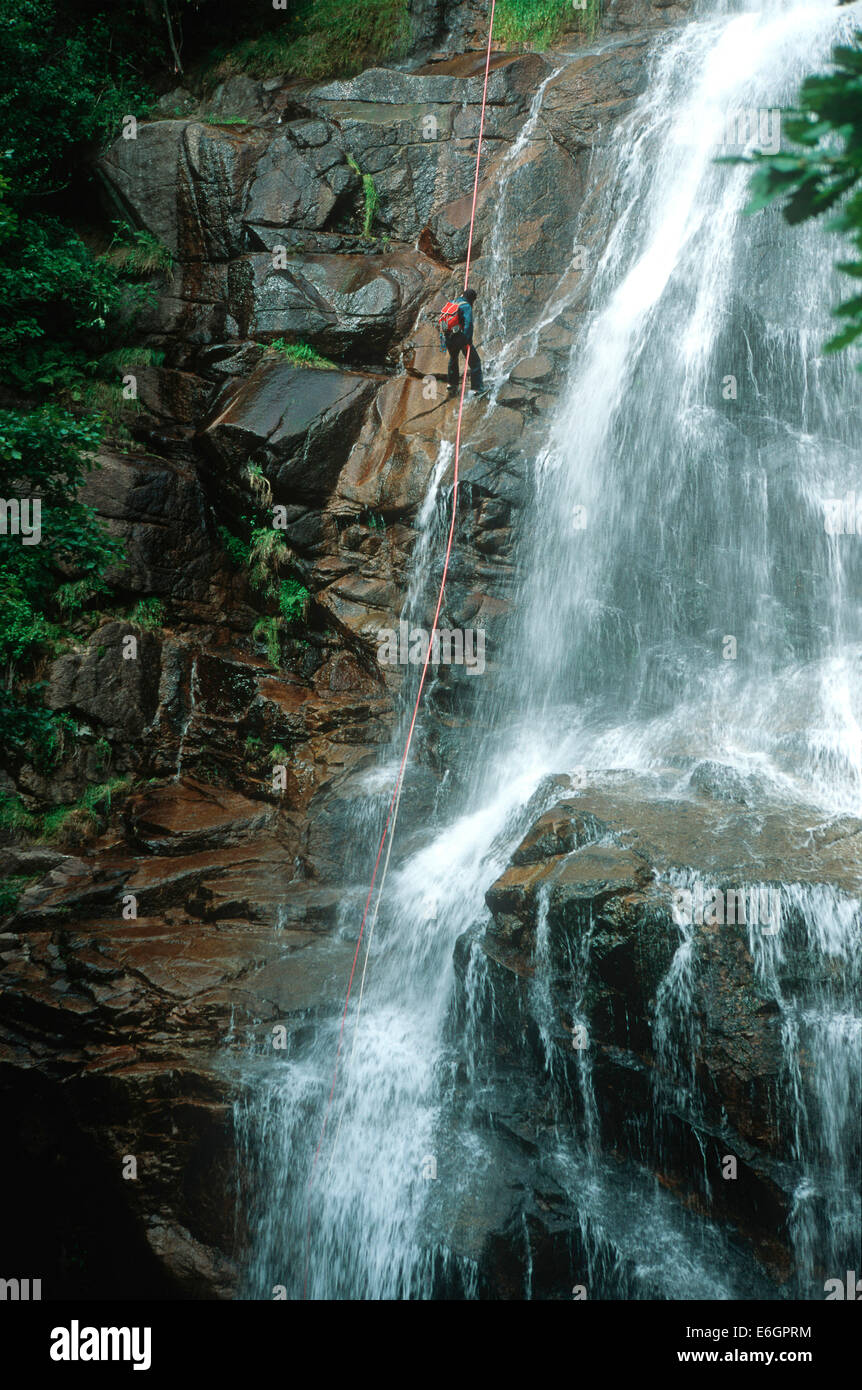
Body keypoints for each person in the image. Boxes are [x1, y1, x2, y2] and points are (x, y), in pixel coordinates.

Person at [438, 288, 484, 395]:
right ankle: (477, 389)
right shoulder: (466, 306)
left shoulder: (454, 302)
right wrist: (468, 340)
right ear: (472, 299)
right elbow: (468, 324)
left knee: (453, 359)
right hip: (460, 338)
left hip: (448, 337)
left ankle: (452, 384)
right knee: (475, 362)